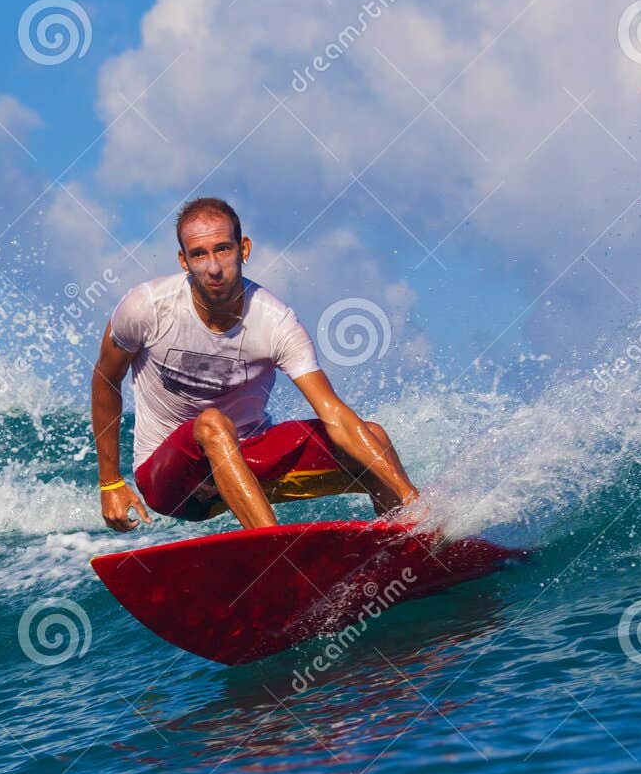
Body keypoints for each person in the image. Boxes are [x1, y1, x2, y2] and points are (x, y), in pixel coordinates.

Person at [91, 197, 421, 532]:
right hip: (172, 482)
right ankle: (272, 550)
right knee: (211, 424)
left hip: (247, 463)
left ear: (243, 249)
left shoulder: (275, 322)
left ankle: (406, 536)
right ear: (183, 260)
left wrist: (411, 496)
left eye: (222, 249)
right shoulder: (146, 308)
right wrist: (110, 483)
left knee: (373, 437)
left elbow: (334, 414)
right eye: (199, 254)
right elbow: (106, 379)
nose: (213, 267)